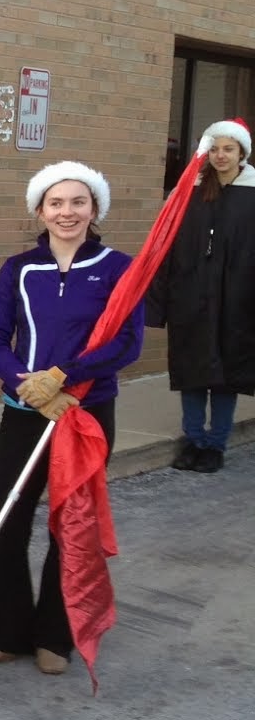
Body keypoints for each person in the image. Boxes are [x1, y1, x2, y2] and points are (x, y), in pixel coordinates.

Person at [0, 162, 143, 673]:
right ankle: (5, 634)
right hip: (24, 411)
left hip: (86, 414)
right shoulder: (20, 268)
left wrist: (64, 377)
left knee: (72, 526)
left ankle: (55, 636)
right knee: (9, 520)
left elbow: (127, 343)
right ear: (39, 210)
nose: (67, 212)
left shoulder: (118, 267)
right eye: (56, 203)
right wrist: (26, 383)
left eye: (78, 202)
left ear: (94, 208)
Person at [146, 118, 255, 474]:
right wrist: (158, 303)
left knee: (225, 376)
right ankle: (192, 440)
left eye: (229, 149)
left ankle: (215, 445)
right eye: (215, 149)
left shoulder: (252, 193)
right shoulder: (188, 192)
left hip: (237, 300)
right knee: (191, 372)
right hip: (190, 297)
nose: (221, 155)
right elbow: (164, 247)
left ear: (241, 153)